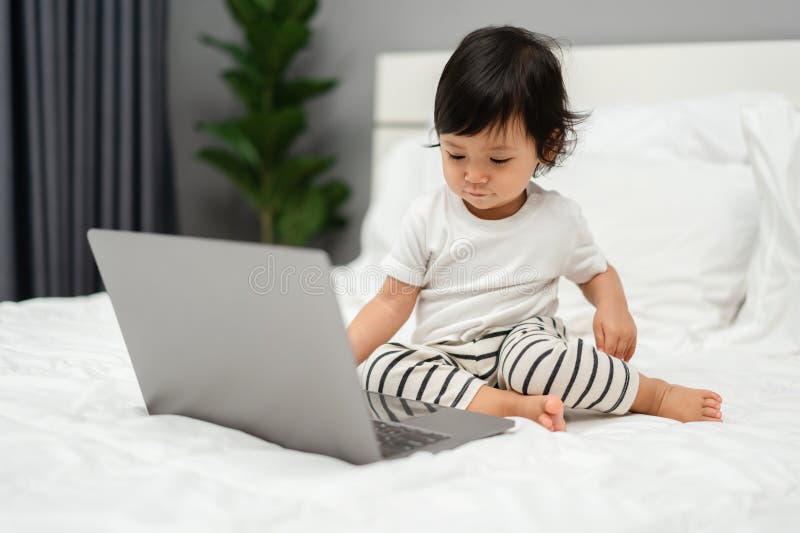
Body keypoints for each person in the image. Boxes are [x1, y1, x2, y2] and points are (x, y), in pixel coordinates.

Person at [346, 26, 723, 432]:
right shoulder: (427, 217)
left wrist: (613, 306)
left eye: (498, 160)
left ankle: (652, 394)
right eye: (456, 154)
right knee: (379, 371)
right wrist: (339, 360)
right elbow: (389, 304)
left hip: (524, 341)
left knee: (537, 364)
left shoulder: (558, 218)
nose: (474, 175)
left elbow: (597, 272)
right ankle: (510, 405)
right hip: (448, 355)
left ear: (548, 146)